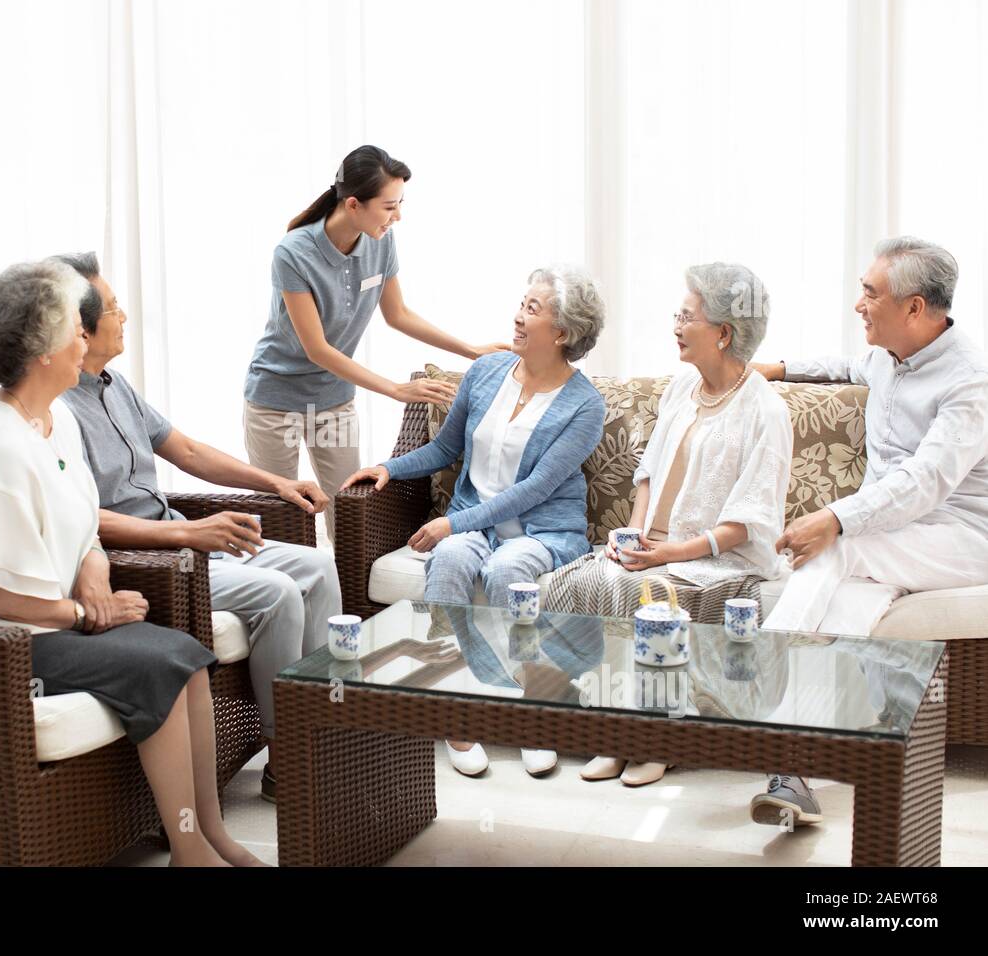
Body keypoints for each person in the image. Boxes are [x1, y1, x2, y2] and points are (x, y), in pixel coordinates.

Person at [0, 260, 263, 866]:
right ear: (40, 349)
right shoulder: (0, 448)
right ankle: (191, 853)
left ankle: (212, 833)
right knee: (158, 667)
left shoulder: (56, 422)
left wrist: (95, 578)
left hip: (44, 618)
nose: (86, 336)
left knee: (190, 659)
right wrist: (85, 613)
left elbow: (84, 528)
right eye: (74, 329)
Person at [54, 252, 342, 804]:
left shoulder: (115, 386)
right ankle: (287, 762)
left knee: (318, 565)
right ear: (80, 328)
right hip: (148, 559)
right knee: (279, 593)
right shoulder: (58, 410)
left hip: (183, 534)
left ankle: (323, 731)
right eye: (113, 308)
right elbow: (82, 521)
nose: (125, 316)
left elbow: (186, 450)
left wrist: (276, 483)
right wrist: (190, 535)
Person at [747, 235, 988, 827]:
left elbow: (927, 480)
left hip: (958, 539)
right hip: (896, 539)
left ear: (914, 307)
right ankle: (795, 770)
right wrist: (773, 368)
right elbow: (843, 367)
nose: (858, 304)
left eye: (869, 292)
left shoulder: (970, 383)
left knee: (833, 555)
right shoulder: (890, 354)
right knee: (847, 601)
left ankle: (754, 668)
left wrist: (833, 518)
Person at [342, 265, 608, 779]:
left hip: (542, 530)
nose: (517, 315)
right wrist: (388, 467)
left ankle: (535, 711)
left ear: (562, 333)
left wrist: (454, 522)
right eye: (521, 301)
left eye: (533, 308)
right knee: (447, 562)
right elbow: (446, 448)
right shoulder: (486, 373)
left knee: (509, 572)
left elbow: (535, 490)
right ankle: (455, 711)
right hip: (474, 525)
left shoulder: (584, 405)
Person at [545, 262, 792, 787]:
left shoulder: (765, 410)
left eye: (687, 317)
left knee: (647, 593)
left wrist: (666, 555)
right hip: (656, 549)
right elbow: (647, 474)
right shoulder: (682, 388)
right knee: (587, 581)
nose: (675, 325)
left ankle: (659, 737)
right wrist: (632, 535)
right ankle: (614, 732)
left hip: (716, 559)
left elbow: (750, 521)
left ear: (724, 332)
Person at [243, 144, 510, 537]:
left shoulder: (380, 240)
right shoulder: (293, 253)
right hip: (275, 402)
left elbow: (397, 314)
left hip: (332, 403)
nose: (397, 216)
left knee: (347, 516)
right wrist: (395, 389)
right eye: (389, 206)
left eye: (399, 204)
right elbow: (318, 349)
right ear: (353, 204)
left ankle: (340, 600)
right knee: (283, 520)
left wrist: (470, 349)